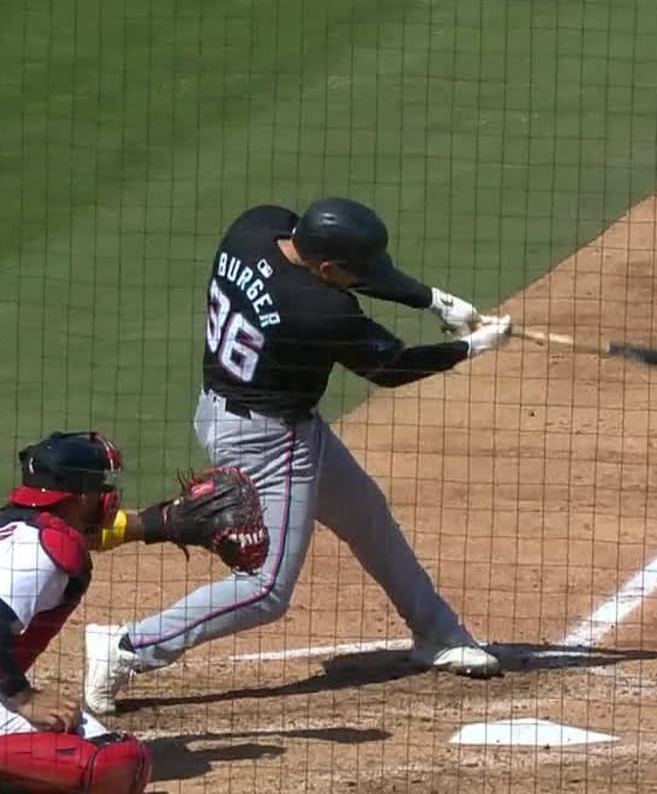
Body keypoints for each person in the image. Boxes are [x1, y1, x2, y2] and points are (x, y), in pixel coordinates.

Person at [82, 196, 512, 714]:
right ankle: (128, 649)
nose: (363, 278)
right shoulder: (319, 311)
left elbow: (348, 272)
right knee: (265, 589)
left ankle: (437, 633)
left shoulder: (256, 227)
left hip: (227, 408)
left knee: (364, 512)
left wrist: (431, 299)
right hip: (269, 440)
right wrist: (470, 349)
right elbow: (392, 368)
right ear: (328, 268)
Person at [0, 430, 259, 794]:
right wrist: (24, 697)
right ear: (78, 496)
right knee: (119, 764)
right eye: (101, 486)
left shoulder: (17, 524)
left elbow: (86, 535)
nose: (110, 494)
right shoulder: (40, 552)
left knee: (62, 761)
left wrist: (163, 524)